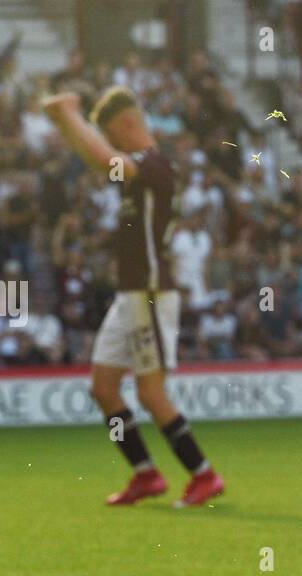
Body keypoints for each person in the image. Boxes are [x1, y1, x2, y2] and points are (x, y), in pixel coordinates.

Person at [42, 86, 225, 508]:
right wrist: (66, 122)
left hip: (149, 294)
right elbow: (102, 160)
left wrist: (68, 115)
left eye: (113, 133)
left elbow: (106, 162)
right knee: (104, 387)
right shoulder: (139, 170)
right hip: (131, 295)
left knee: (149, 391)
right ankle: (146, 473)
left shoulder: (155, 165)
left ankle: (204, 474)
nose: (112, 143)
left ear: (127, 125)